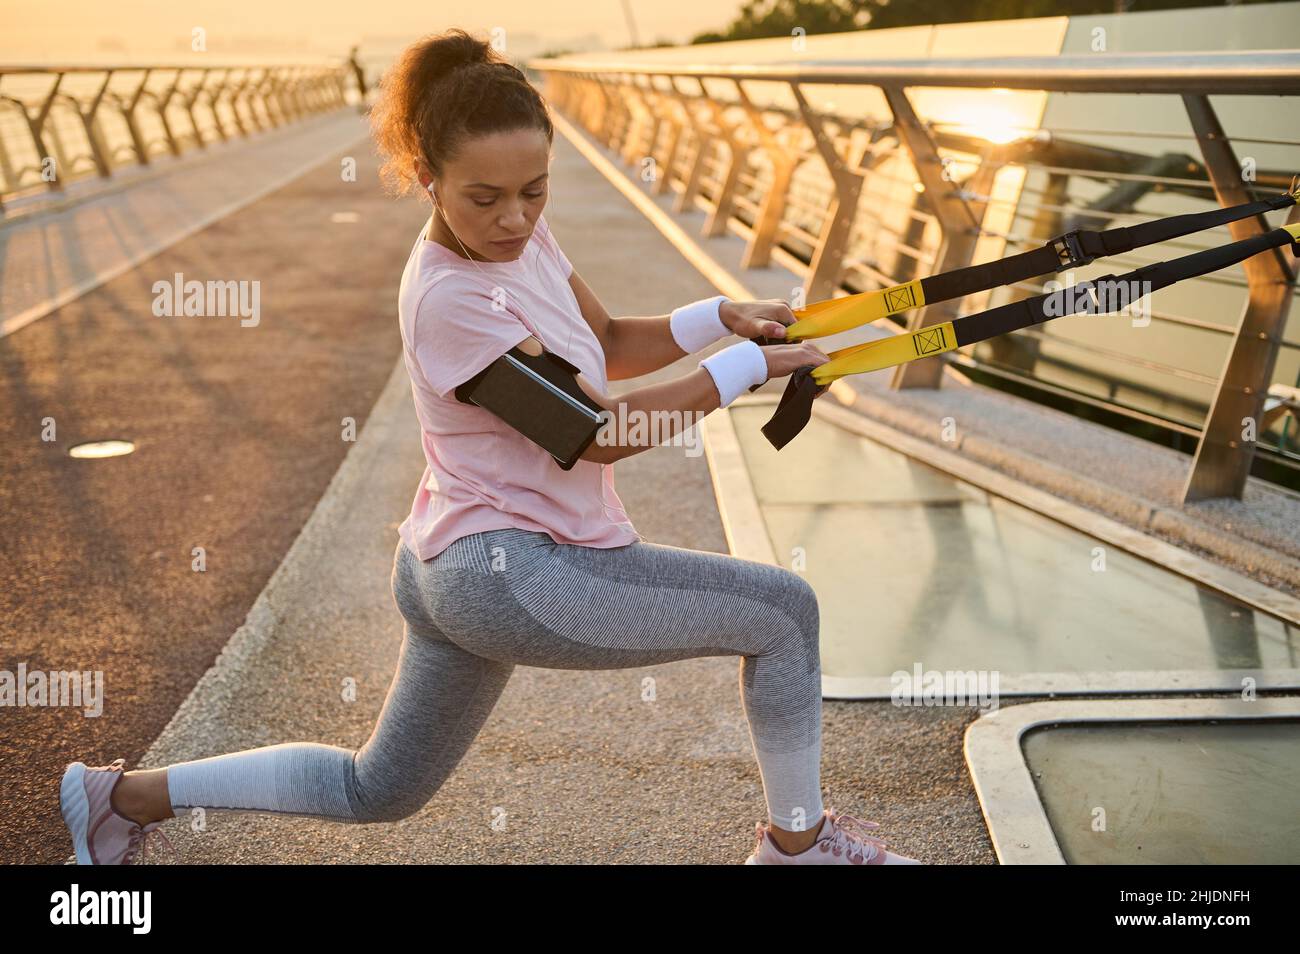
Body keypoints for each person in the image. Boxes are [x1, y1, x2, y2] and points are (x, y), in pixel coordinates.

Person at [57, 28, 919, 866]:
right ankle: (798, 849)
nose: (514, 218)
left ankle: (118, 800)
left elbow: (611, 340)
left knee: (377, 788)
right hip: (510, 572)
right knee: (783, 614)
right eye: (486, 198)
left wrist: (719, 317)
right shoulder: (450, 302)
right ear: (427, 179)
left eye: (534, 190)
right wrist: (744, 368)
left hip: (449, 562)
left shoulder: (521, 236)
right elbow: (601, 436)